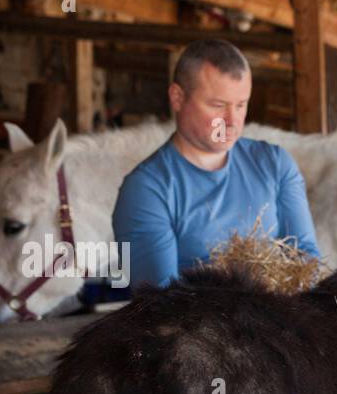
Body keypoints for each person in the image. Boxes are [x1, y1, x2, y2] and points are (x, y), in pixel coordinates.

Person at [113, 39, 322, 288]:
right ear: (178, 98)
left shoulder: (275, 164)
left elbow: (305, 263)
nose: (232, 121)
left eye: (241, 105)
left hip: (279, 322)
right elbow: (160, 305)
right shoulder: (146, 190)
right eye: (218, 105)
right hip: (201, 326)